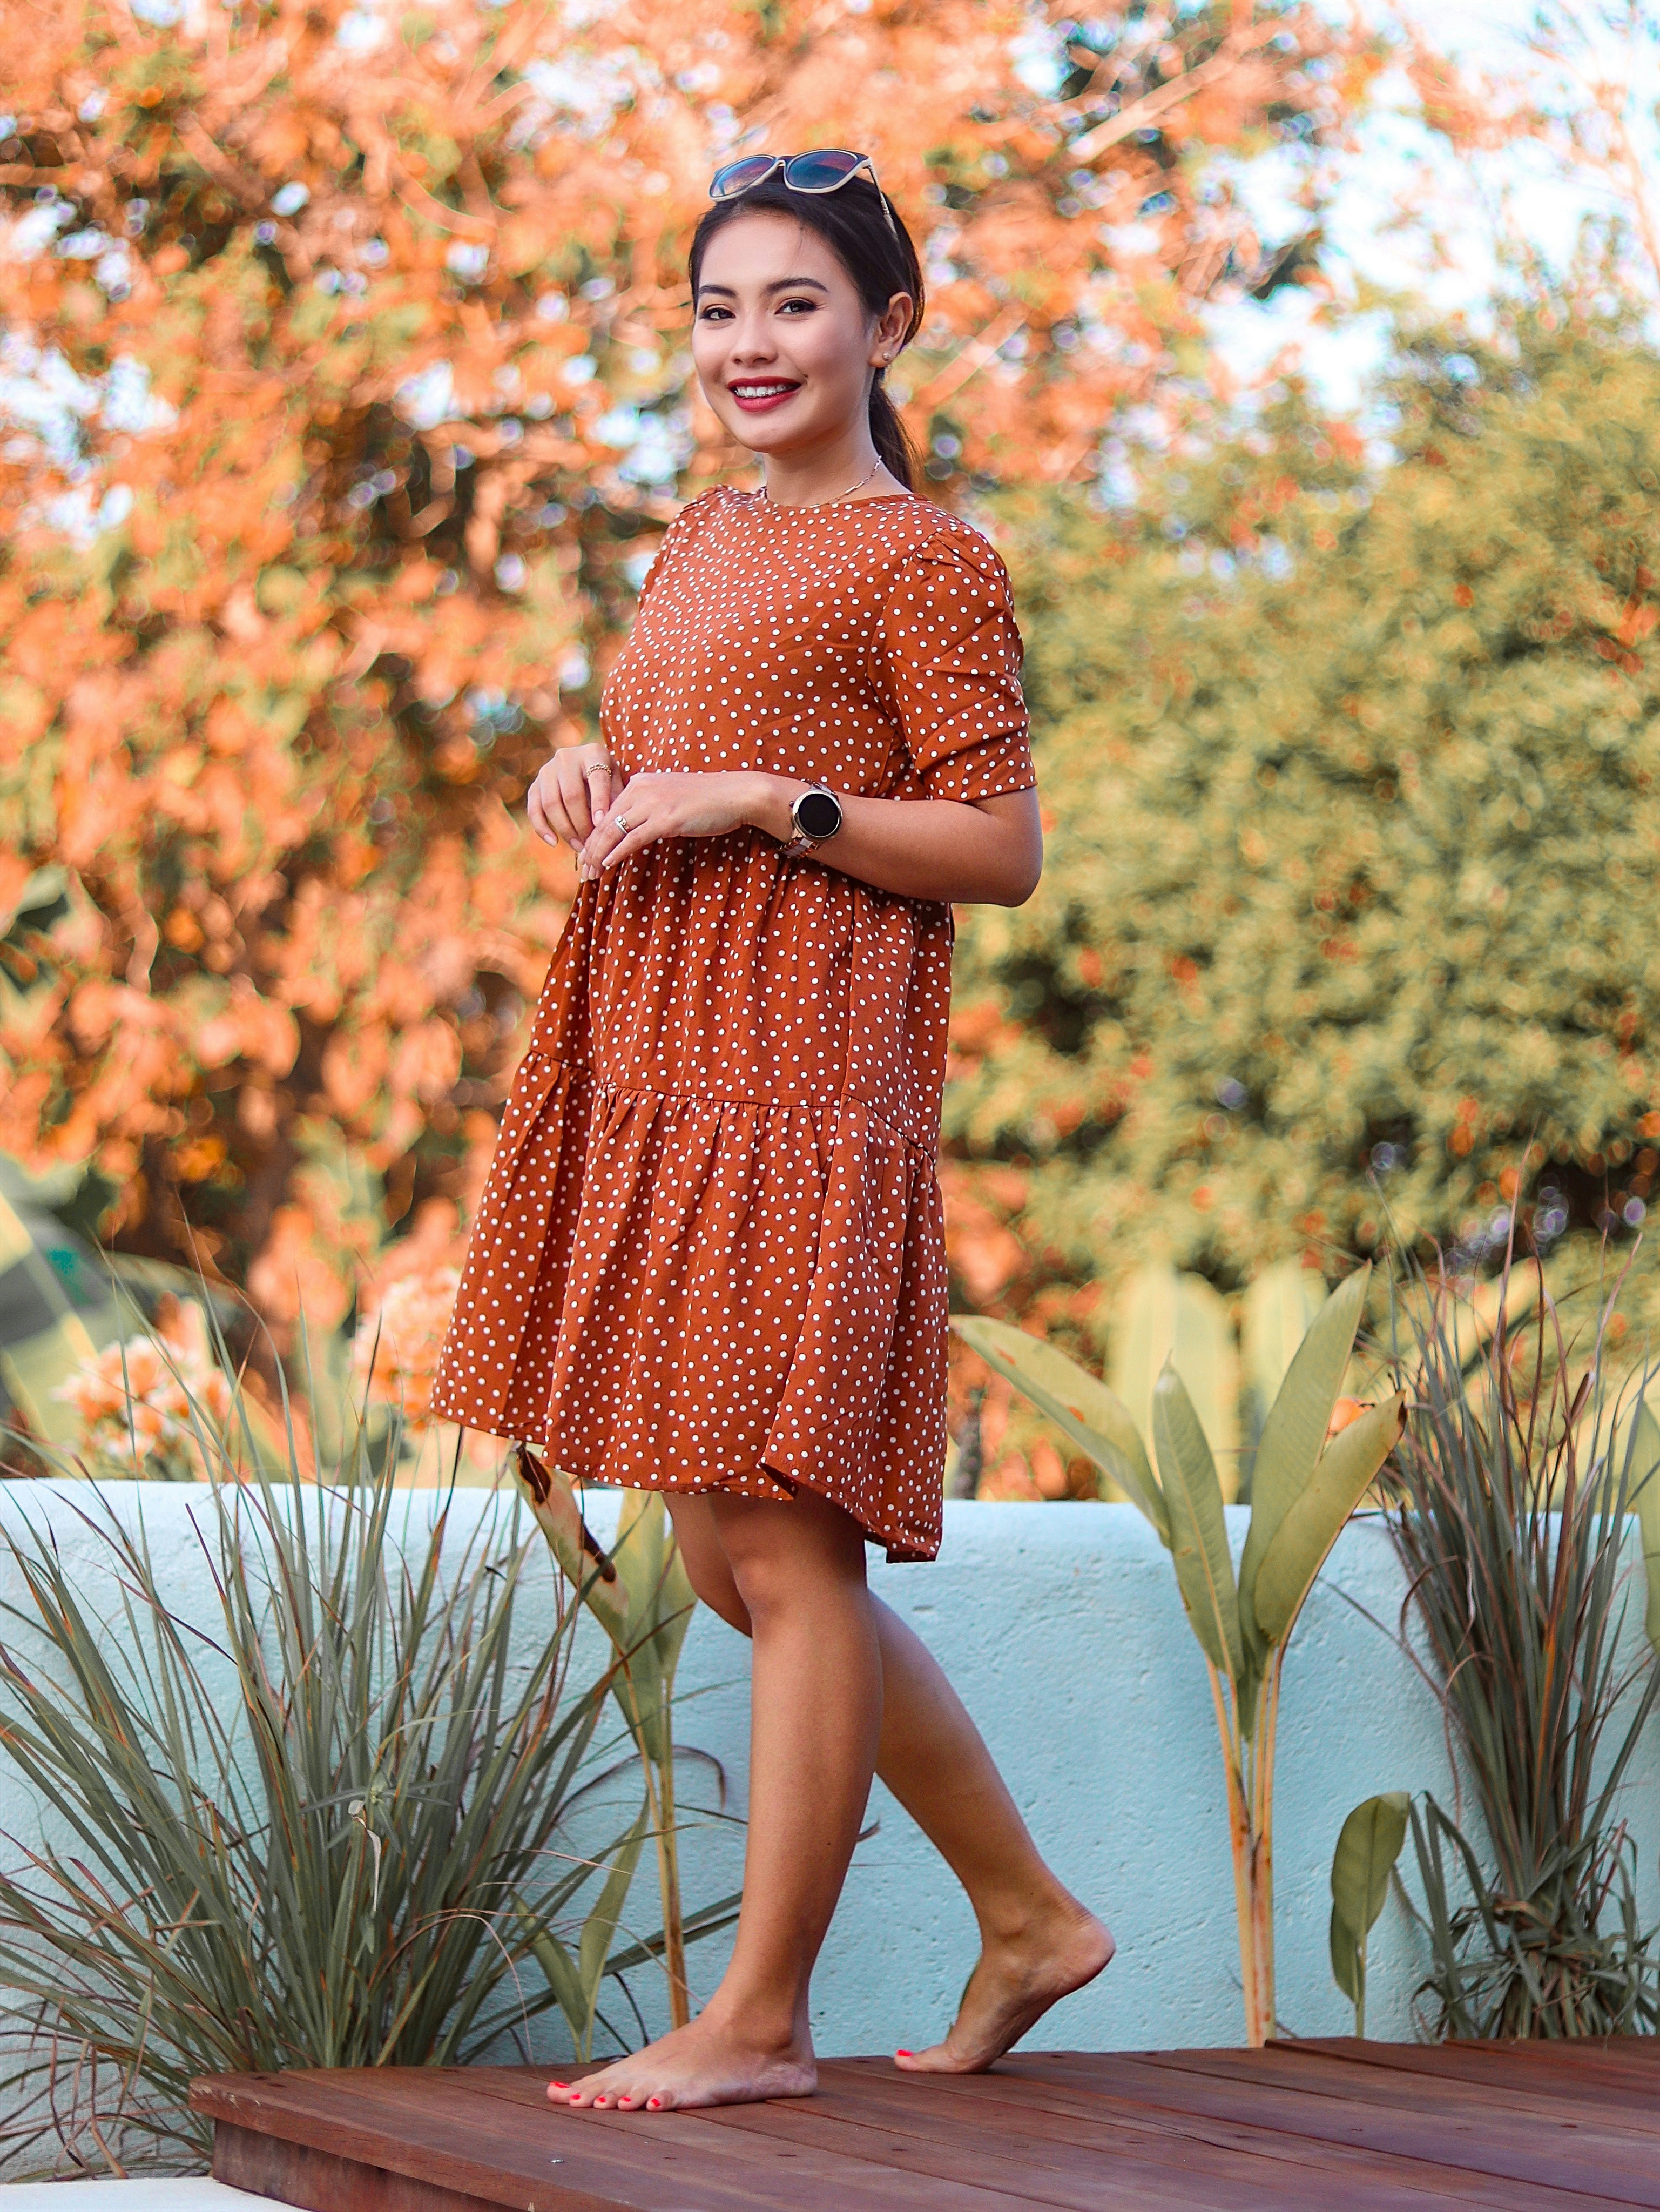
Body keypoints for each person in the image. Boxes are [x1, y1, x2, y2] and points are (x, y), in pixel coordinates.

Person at [430, 150, 1111, 2115]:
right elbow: (679, 746)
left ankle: (758, 2023)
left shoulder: (929, 559)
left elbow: (1000, 848)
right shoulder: (700, 536)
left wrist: (765, 804)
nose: (750, 343)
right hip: (660, 1055)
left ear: (885, 324)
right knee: (733, 1555)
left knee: (788, 1548)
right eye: (719, 307)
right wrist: (595, 770)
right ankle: (1026, 1915)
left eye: (794, 304)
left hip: (804, 1076)